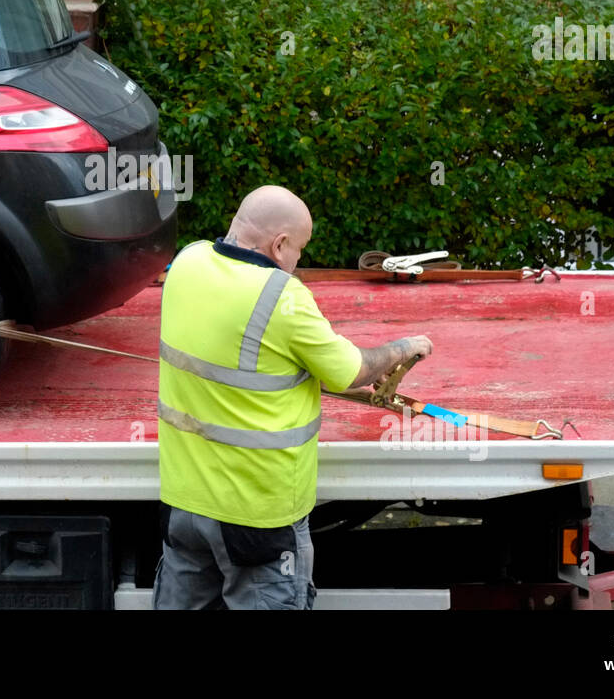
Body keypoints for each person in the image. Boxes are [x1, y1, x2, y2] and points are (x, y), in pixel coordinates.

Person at [153, 184, 432, 610]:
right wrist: (404, 347)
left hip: (183, 505)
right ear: (279, 244)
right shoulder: (281, 297)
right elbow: (350, 371)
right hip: (255, 515)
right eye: (299, 248)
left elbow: (236, 356)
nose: (299, 260)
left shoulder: (187, 262)